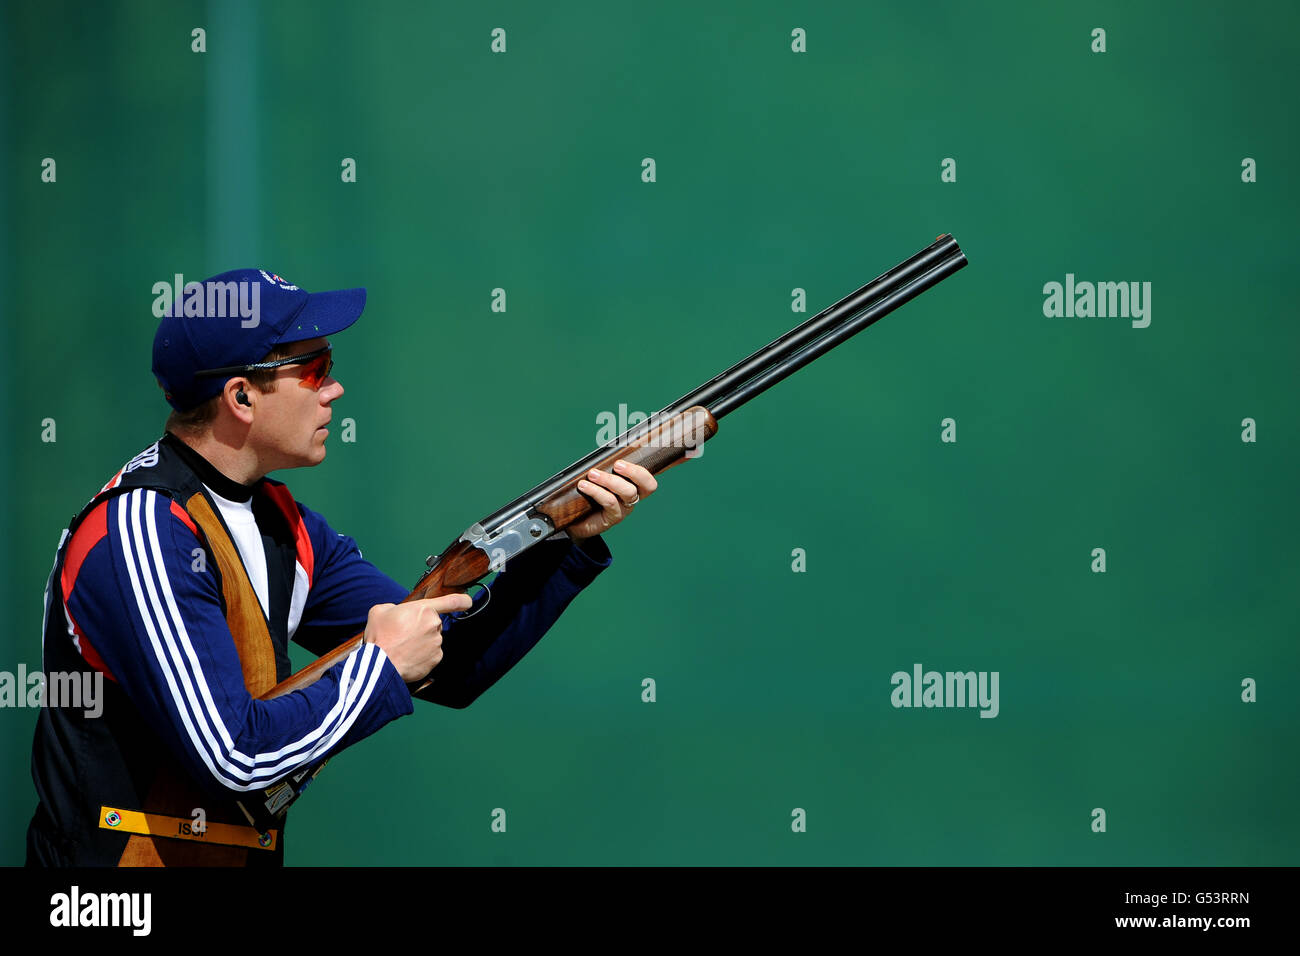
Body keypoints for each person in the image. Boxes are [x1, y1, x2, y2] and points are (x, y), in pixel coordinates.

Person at [26, 268, 656, 866]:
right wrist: (378, 667)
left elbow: (455, 664)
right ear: (241, 396)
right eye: (315, 369)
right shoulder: (140, 530)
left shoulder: (284, 523)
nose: (335, 389)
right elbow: (234, 755)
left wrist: (563, 541)